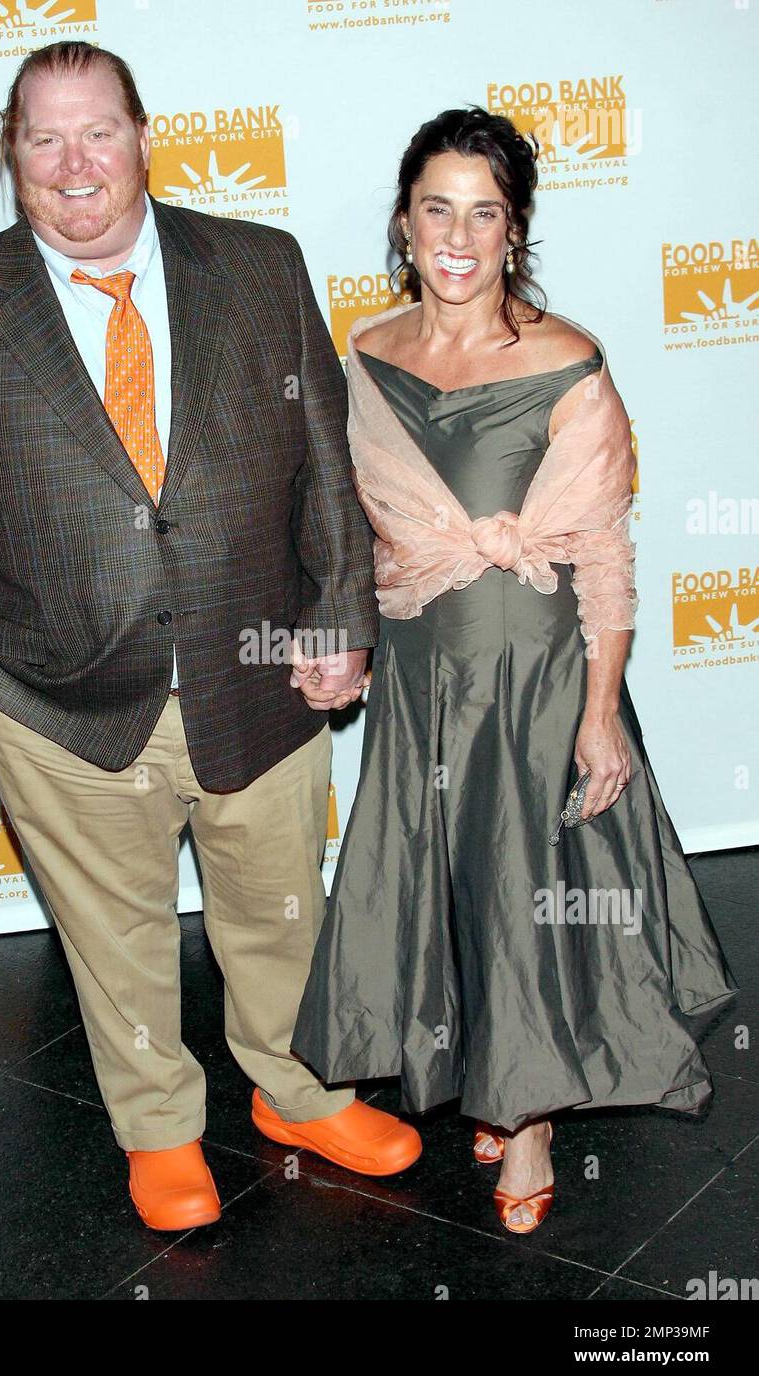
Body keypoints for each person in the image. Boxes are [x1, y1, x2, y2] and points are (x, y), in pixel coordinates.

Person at [0, 40, 421, 1234]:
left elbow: (326, 460)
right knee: (113, 937)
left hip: (261, 672)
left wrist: (340, 620)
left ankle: (298, 1092)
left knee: (279, 910)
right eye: (42, 137)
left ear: (143, 134)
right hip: (56, 704)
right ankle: (158, 1131)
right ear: (12, 153)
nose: (74, 164)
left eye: (96, 130)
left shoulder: (260, 265)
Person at [291, 106, 737, 1235]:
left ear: (513, 231)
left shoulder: (563, 358)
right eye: (436, 207)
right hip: (420, 671)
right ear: (403, 221)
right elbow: (347, 522)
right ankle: (483, 1067)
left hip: (538, 679)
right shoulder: (368, 353)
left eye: (482, 213)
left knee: (523, 894)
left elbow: (604, 555)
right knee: (452, 884)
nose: (456, 234)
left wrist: (599, 715)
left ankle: (527, 1114)